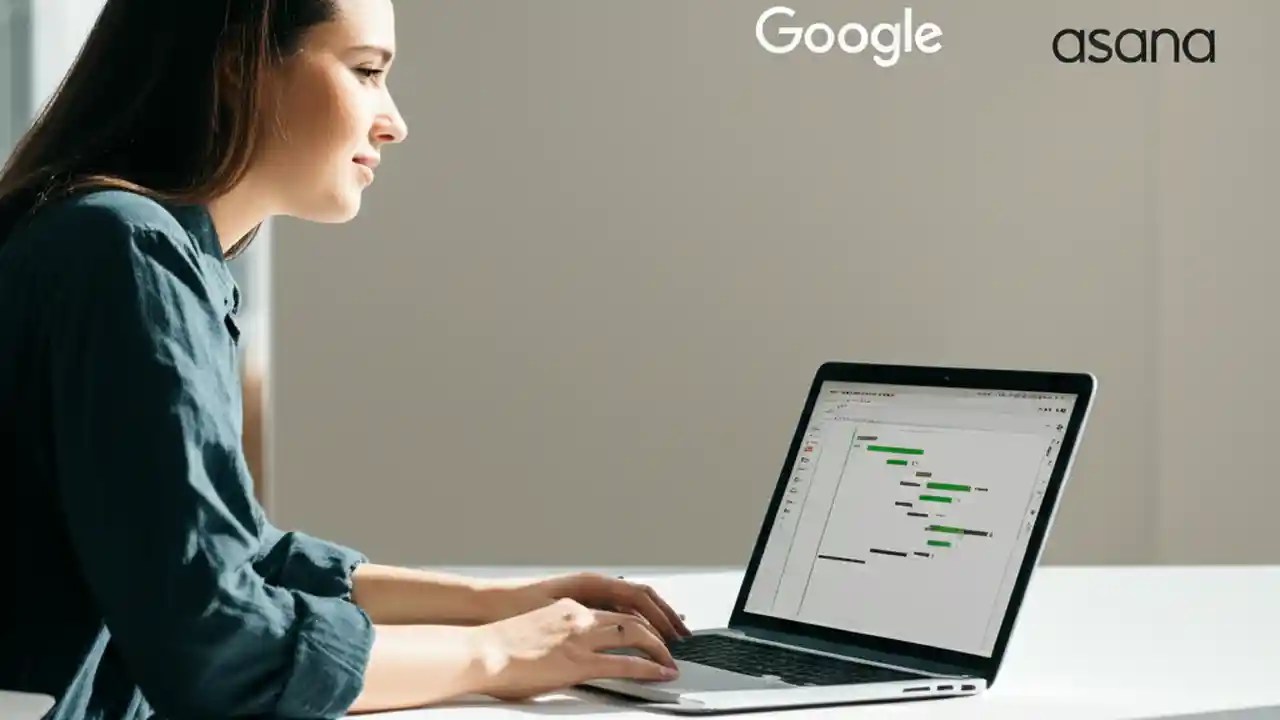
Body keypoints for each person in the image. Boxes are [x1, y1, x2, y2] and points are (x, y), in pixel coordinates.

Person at [0, 1, 690, 718]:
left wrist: (498, 605)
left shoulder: (131, 246)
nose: (393, 122)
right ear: (237, 64)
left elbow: (231, 556)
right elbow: (217, 643)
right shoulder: (123, 251)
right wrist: (503, 653)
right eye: (365, 71)